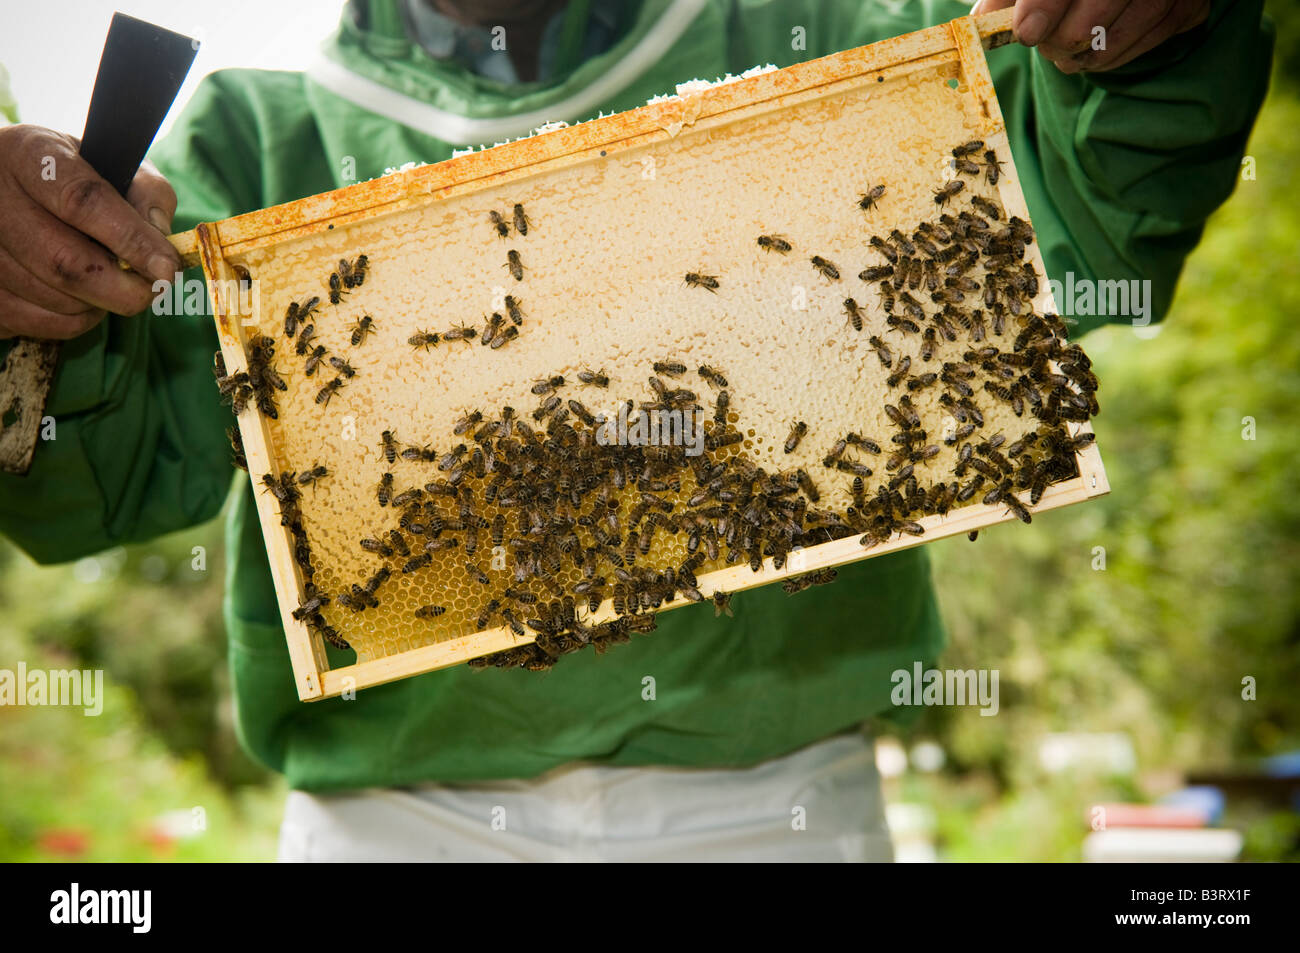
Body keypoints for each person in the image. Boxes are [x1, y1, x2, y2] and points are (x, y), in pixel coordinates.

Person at [0, 0, 1272, 861]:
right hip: (391, 835)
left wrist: (1151, 40)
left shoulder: (828, 33)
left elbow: (1092, 219)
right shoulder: (251, 139)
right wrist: (23, 305)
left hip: (780, 812)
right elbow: (86, 484)